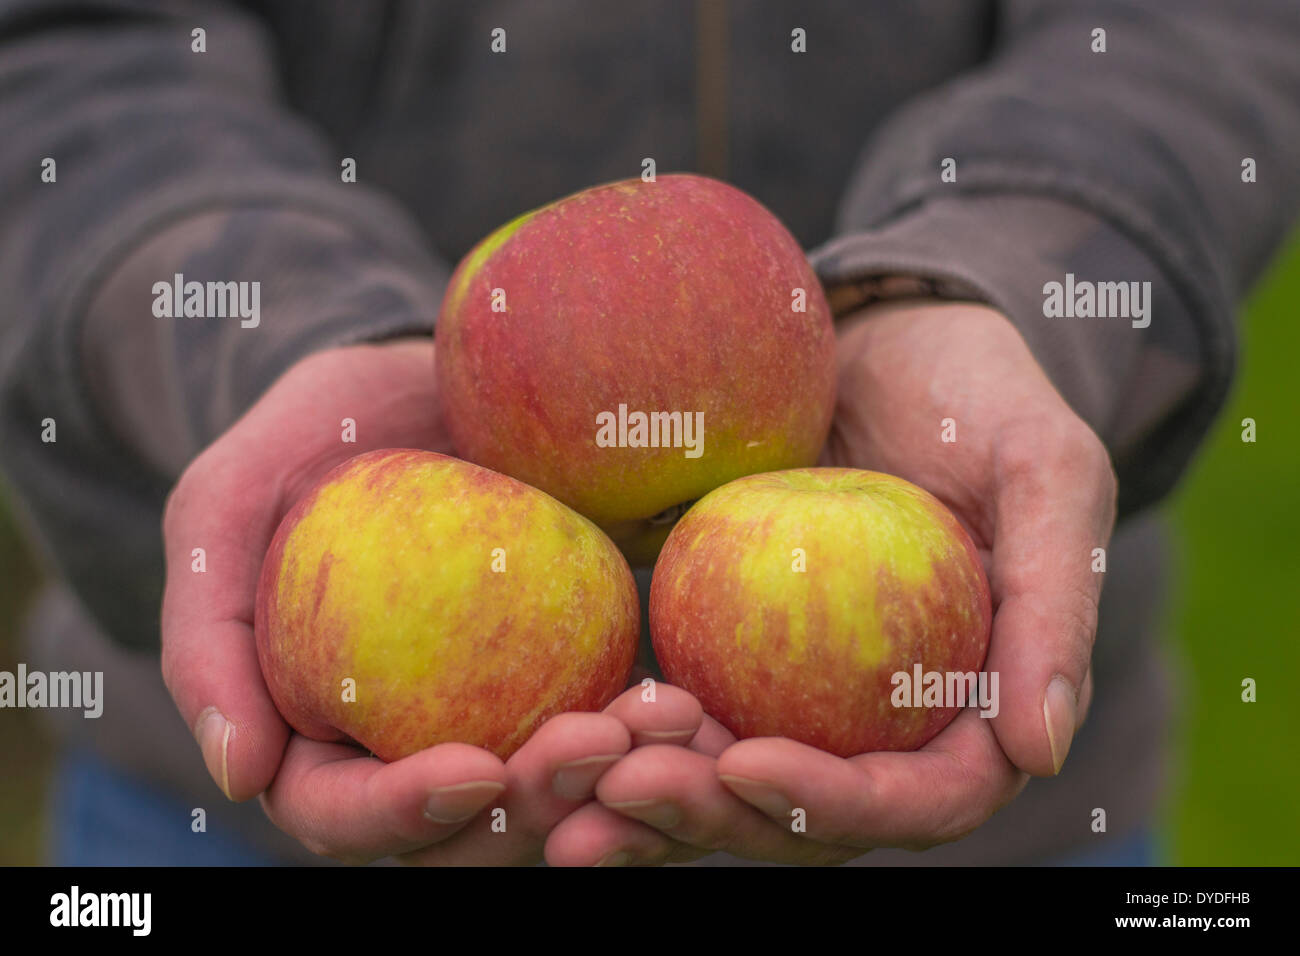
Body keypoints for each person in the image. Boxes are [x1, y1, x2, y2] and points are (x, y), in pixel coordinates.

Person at [2, 0, 1297, 866]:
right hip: (208, 819)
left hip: (1009, 818)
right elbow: (61, 49)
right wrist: (278, 335)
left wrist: (990, 274)